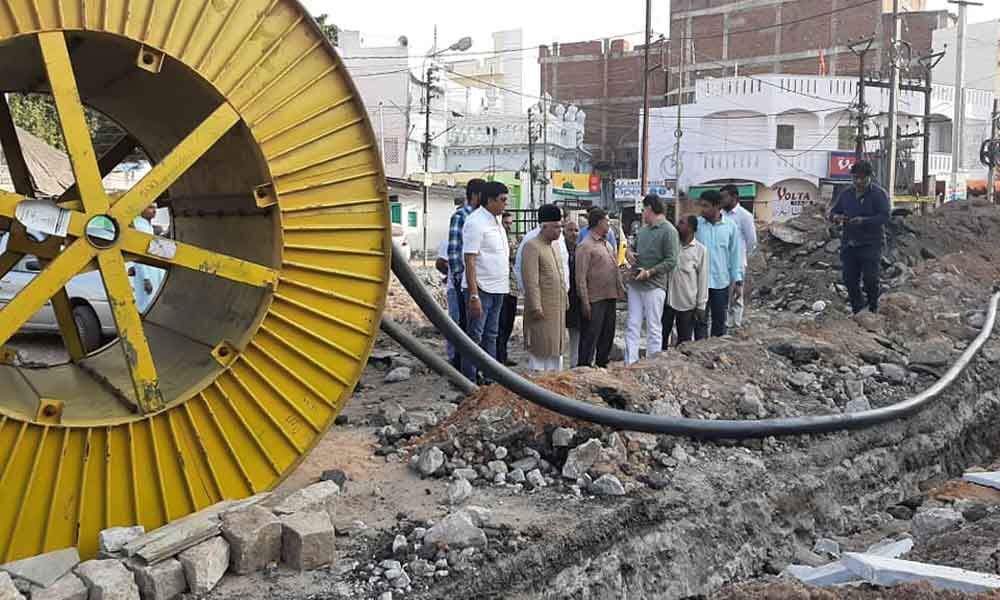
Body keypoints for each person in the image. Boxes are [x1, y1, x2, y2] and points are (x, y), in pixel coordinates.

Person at [462, 181, 510, 382]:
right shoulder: (475, 222)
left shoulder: (496, 221)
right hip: (480, 289)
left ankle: (490, 379)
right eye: (502, 200)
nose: (505, 204)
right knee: (474, 337)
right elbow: (470, 260)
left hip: (498, 288)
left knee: (492, 335)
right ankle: (469, 380)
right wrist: (474, 295)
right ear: (490, 200)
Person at [624, 194, 679, 365]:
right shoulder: (643, 230)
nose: (642, 214)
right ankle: (630, 363)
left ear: (649, 209)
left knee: (654, 327)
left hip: (654, 286)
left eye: (643, 210)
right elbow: (632, 247)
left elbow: (671, 260)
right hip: (636, 284)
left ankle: (652, 364)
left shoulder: (669, 231)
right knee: (632, 324)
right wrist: (629, 253)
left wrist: (649, 272)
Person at [829, 160, 890, 314]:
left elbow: (884, 217)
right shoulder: (846, 194)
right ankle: (858, 309)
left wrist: (864, 221)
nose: (858, 181)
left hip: (871, 243)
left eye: (863, 178)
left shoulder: (879, 194)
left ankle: (873, 308)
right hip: (849, 243)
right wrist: (837, 217)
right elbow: (833, 212)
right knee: (850, 280)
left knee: (870, 279)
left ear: (870, 177)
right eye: (855, 178)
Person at [576, 208, 625, 367]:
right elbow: (580, 277)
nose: (609, 224)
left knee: (607, 335)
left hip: (610, 295)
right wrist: (585, 302)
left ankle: (602, 365)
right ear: (598, 223)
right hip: (594, 299)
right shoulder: (585, 246)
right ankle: (584, 368)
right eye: (607, 221)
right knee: (591, 336)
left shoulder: (607, 244)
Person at [446, 179, 486, 374]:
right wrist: (462, 280)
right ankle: (460, 369)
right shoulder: (461, 216)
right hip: (463, 284)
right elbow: (455, 252)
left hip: (477, 283)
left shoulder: (483, 218)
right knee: (462, 328)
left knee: (477, 330)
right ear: (477, 196)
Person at [521, 204, 567, 371]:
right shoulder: (532, 246)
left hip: (557, 307)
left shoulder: (554, 246)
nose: (559, 230)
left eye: (560, 226)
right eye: (555, 227)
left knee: (555, 349)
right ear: (544, 226)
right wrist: (535, 307)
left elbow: (560, 276)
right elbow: (530, 281)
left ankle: (554, 387)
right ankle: (538, 389)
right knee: (541, 348)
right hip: (541, 309)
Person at [694, 190, 743, 339]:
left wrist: (738, 282)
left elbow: (735, 256)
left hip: (721, 283)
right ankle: (698, 354)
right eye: (701, 205)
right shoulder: (697, 226)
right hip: (699, 283)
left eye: (706, 206)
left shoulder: (730, 227)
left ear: (717, 206)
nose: (702, 209)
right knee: (699, 320)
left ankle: (716, 355)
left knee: (719, 321)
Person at [663, 215, 709, 346]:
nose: (678, 226)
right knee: (662, 336)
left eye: (681, 223)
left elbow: (703, 279)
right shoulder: (672, 246)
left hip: (687, 304)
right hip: (668, 301)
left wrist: (701, 306)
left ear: (691, 228)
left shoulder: (701, 251)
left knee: (684, 342)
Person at [720, 184, 757, 329]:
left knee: (736, 297)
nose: (721, 200)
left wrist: (741, 258)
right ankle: (722, 325)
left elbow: (751, 241)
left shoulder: (744, 216)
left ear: (734, 197)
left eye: (724, 197)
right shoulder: (720, 215)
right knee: (721, 296)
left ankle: (735, 326)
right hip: (721, 263)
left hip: (738, 264)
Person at [131, 203, 165, 313]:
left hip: (152, 272)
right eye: (150, 207)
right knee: (147, 305)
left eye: (155, 208)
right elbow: (139, 255)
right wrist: (146, 279)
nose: (154, 211)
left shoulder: (147, 226)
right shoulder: (139, 227)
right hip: (148, 275)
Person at [496, 212, 519, 366]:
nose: (509, 226)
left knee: (509, 323)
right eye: (506, 223)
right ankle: (498, 356)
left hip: (512, 286)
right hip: (500, 286)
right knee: (500, 323)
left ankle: (503, 354)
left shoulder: (511, 238)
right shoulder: (498, 237)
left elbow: (516, 255)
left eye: (510, 223)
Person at [563, 216, 582, 368]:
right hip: (562, 296)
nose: (573, 233)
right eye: (570, 230)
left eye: (576, 230)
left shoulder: (580, 249)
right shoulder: (558, 248)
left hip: (576, 298)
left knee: (576, 333)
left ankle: (574, 365)